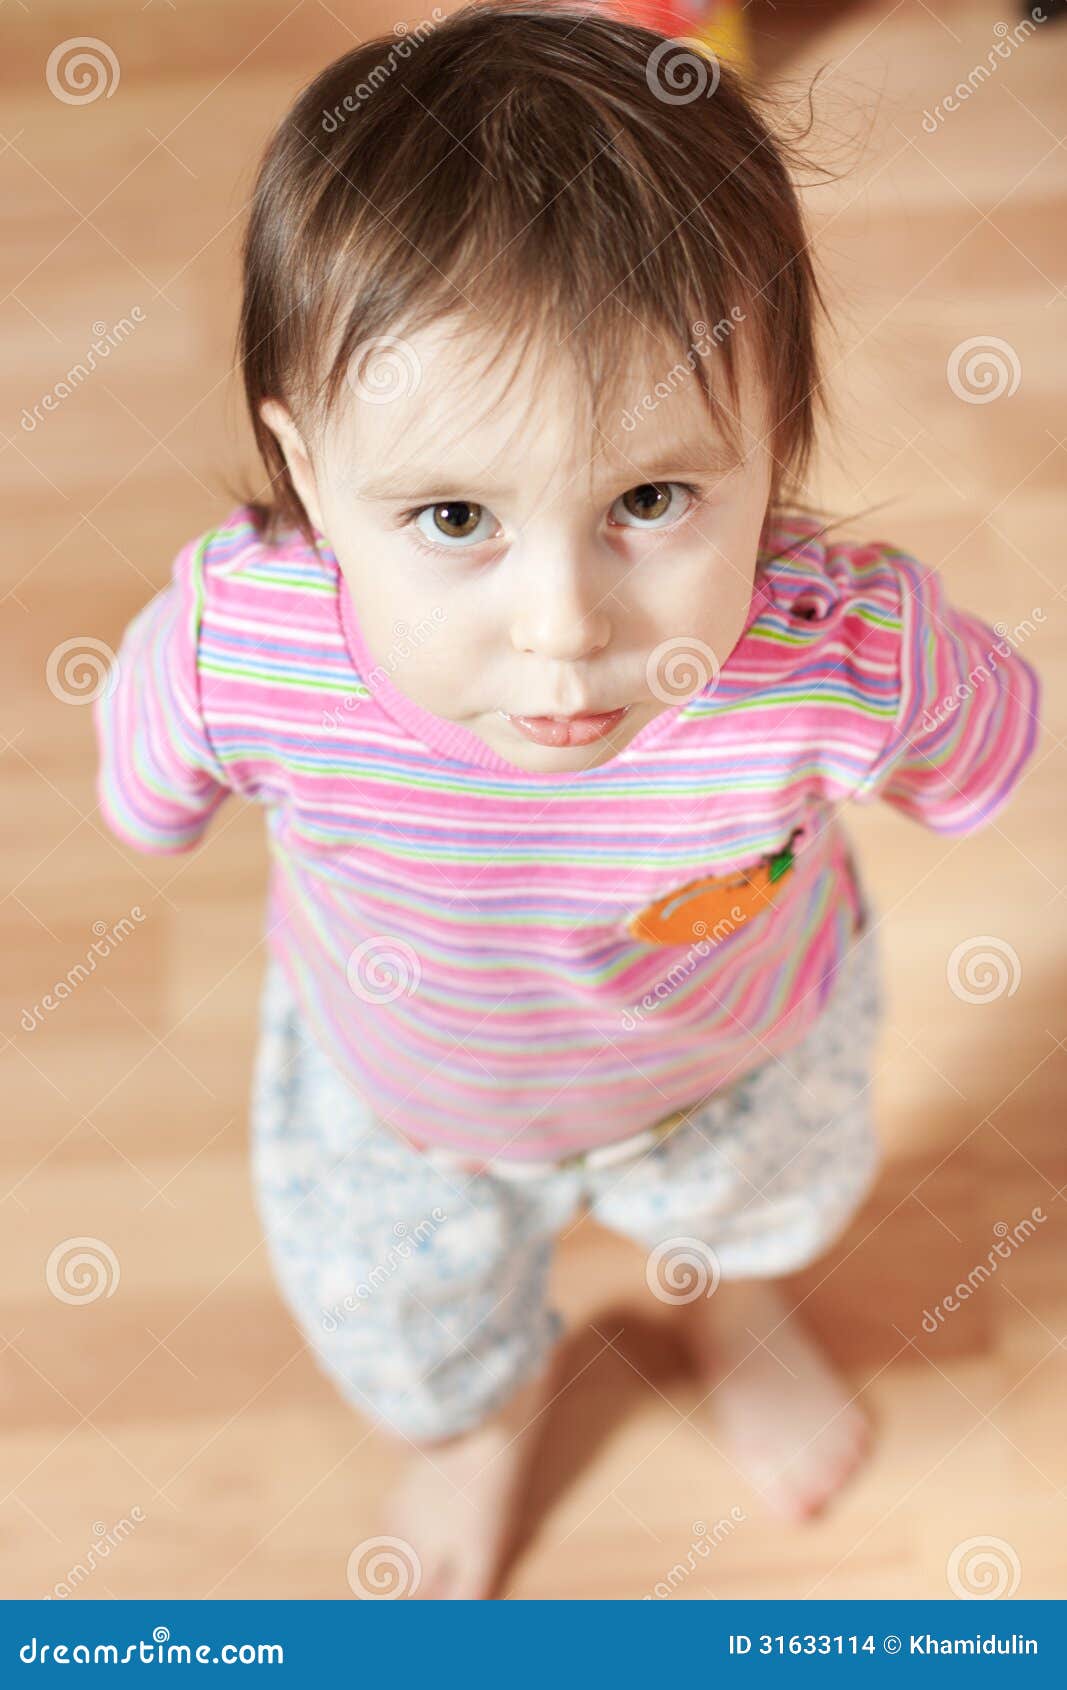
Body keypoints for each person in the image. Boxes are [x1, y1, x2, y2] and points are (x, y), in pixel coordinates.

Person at [93, 2, 1041, 1598]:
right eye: (456, 512)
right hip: (406, 1101)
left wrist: (900, 651)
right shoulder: (235, 646)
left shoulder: (834, 646)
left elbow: (983, 741)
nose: (564, 628)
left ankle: (732, 1312)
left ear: (776, 453)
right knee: (411, 1321)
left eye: (652, 498)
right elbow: (146, 790)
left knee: (762, 1211)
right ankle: (479, 1421)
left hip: (740, 1061)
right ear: (310, 473)